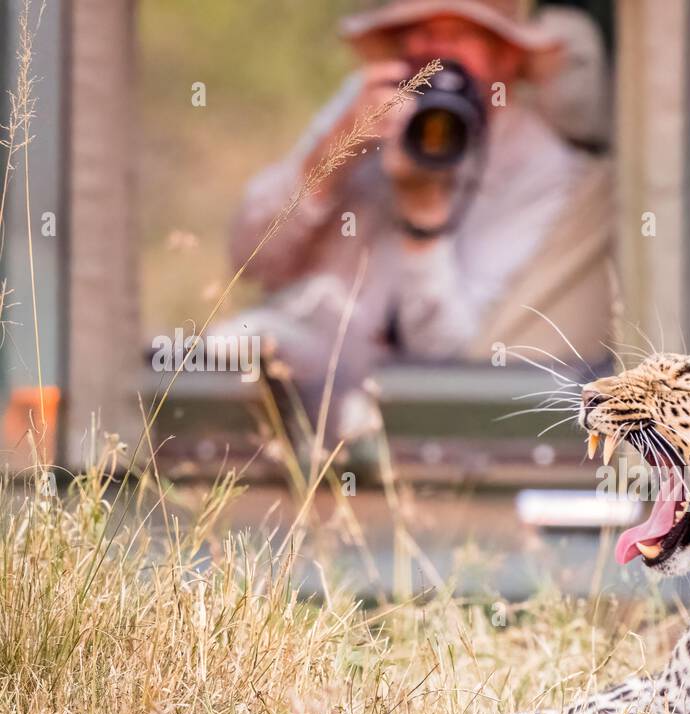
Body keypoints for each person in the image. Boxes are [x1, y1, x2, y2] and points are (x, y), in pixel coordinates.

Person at [225, 0, 612, 446]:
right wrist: (335, 153)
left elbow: (450, 360)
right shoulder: (363, 104)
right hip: (302, 381)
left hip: (427, 429)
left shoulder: (542, 169)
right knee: (226, 351)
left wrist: (423, 222)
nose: (438, 53)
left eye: (461, 35)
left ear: (507, 56)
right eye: (422, 33)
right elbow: (250, 258)